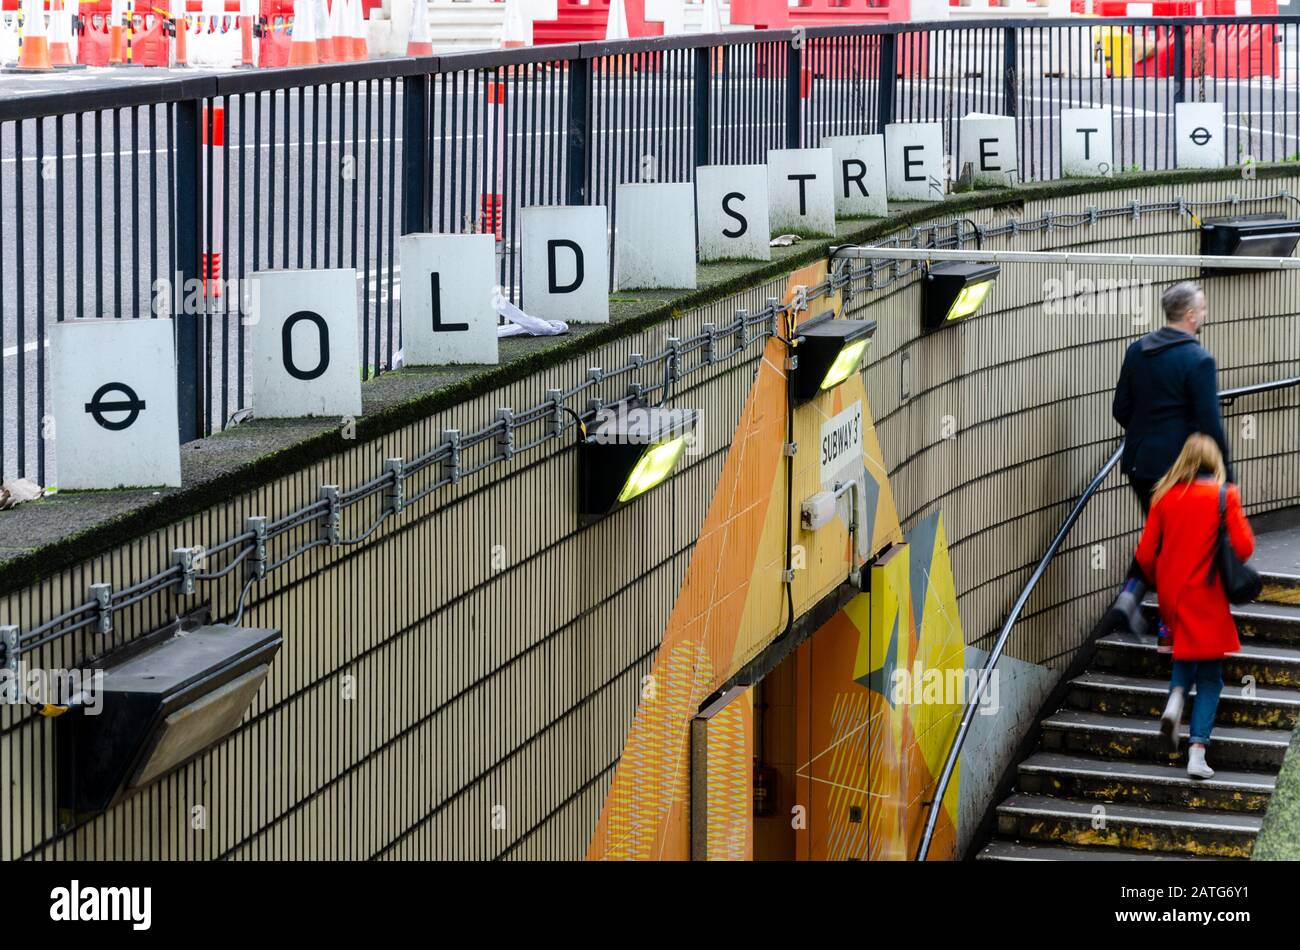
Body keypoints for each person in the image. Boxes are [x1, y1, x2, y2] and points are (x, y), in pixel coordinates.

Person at [1108, 281, 1235, 642]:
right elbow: (1211, 423)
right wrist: (1227, 474)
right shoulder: (1198, 360)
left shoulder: (1138, 350)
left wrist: (1146, 435)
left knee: (1160, 536)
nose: (1205, 316)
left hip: (1139, 463)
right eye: (1204, 310)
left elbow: (1121, 408)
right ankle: (1162, 621)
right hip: (1179, 470)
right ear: (1191, 315)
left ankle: (1134, 594)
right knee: (1180, 547)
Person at [1134, 434, 1254, 779]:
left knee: (1185, 653)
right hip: (1208, 594)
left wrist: (1167, 575)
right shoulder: (1223, 495)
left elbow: (1144, 555)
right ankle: (1197, 752)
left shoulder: (1163, 497)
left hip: (1172, 596)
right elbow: (1244, 547)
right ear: (1213, 461)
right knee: (1212, 677)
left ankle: (1174, 699)